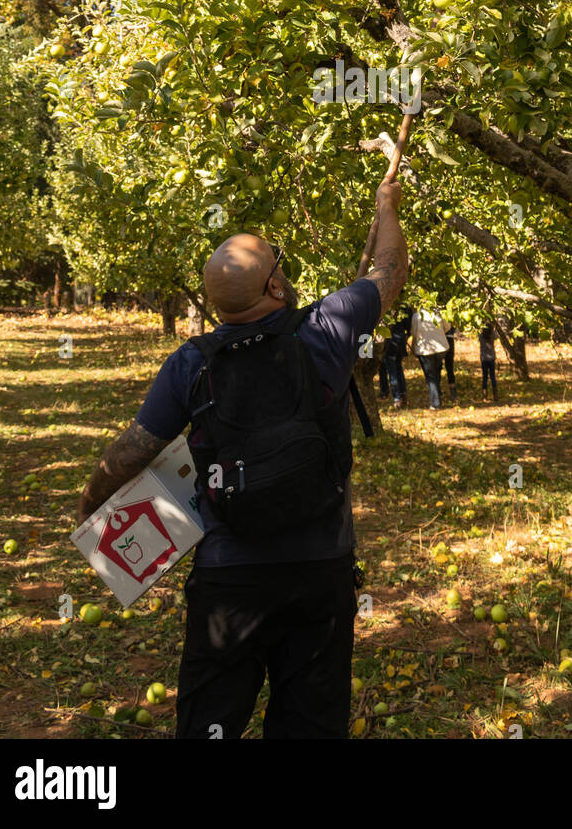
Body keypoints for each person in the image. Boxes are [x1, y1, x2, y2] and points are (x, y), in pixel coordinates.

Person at [76, 178, 408, 740]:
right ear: (276, 285)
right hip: (318, 571)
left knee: (211, 723)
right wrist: (386, 205)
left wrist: (90, 508)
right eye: (280, 263)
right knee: (310, 725)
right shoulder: (326, 330)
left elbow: (133, 451)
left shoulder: (191, 363)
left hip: (228, 579)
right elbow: (389, 272)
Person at [410, 307, 450, 410]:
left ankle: (435, 402)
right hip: (440, 347)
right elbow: (447, 327)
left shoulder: (417, 316)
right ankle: (438, 394)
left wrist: (414, 346)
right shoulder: (438, 312)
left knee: (430, 376)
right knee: (436, 371)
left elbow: (414, 332)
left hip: (425, 350)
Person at [382, 305, 412, 409]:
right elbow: (409, 327)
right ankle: (403, 394)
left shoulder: (388, 307)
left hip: (392, 341)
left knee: (392, 370)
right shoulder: (404, 307)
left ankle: (397, 398)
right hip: (400, 340)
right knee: (398, 367)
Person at [478, 321, 498, 402]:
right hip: (492, 358)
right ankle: (495, 395)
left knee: (485, 377)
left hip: (484, 358)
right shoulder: (493, 335)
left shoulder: (481, 336)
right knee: (493, 377)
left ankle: (484, 396)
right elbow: (497, 335)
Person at [442, 321, 458, 404]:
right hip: (448, 338)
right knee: (449, 367)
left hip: (443, 338)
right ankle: (452, 392)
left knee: (445, 367)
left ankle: (451, 393)